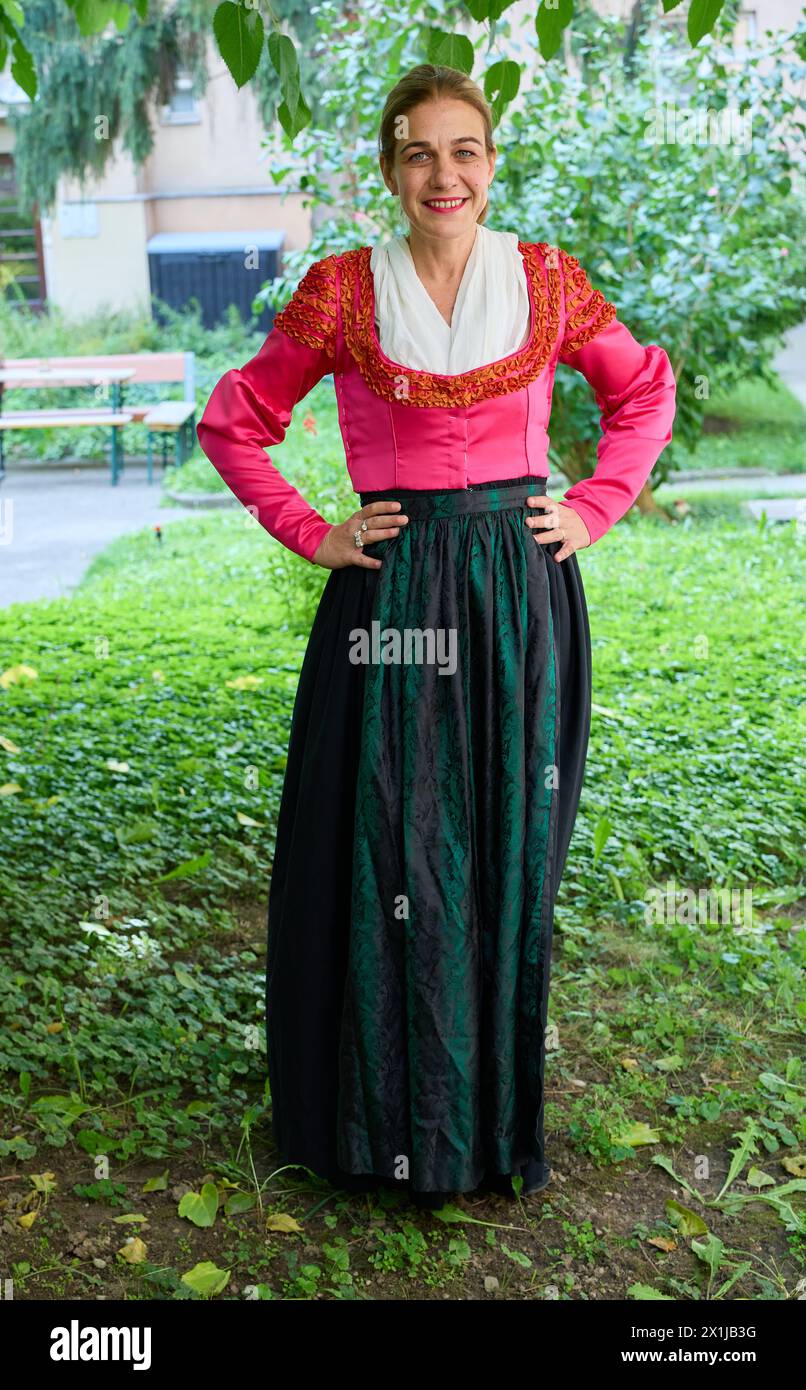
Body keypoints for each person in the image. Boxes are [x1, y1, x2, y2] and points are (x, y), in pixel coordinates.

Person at [196, 63, 677, 1210]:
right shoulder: (340, 291)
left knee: (504, 845)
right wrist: (314, 534)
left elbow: (641, 391)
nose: (442, 174)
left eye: (464, 151)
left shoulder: (548, 282)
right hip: (396, 597)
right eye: (418, 154)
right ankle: (377, 1124)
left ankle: (482, 1123)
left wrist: (598, 502)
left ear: (490, 164)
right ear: (389, 170)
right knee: (392, 847)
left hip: (519, 592)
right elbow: (235, 421)